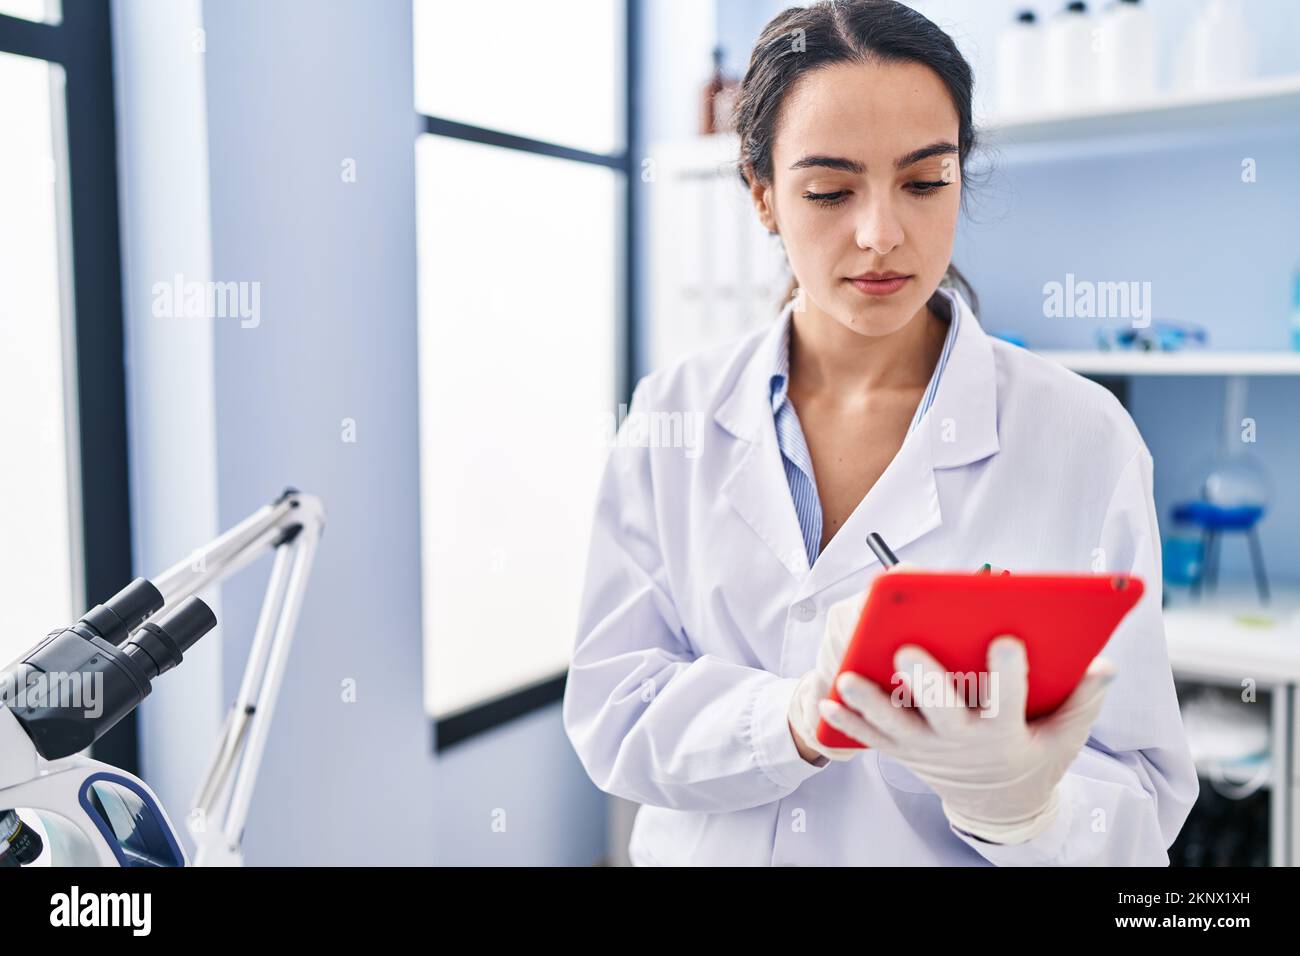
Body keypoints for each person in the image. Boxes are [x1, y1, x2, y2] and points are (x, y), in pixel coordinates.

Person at [562, 0, 1197, 865]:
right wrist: (790, 719)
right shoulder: (673, 413)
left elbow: (1144, 799)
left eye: (924, 182)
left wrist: (1022, 810)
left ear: (961, 178)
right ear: (762, 195)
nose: (881, 235)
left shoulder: (1082, 439)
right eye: (829, 190)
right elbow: (613, 709)